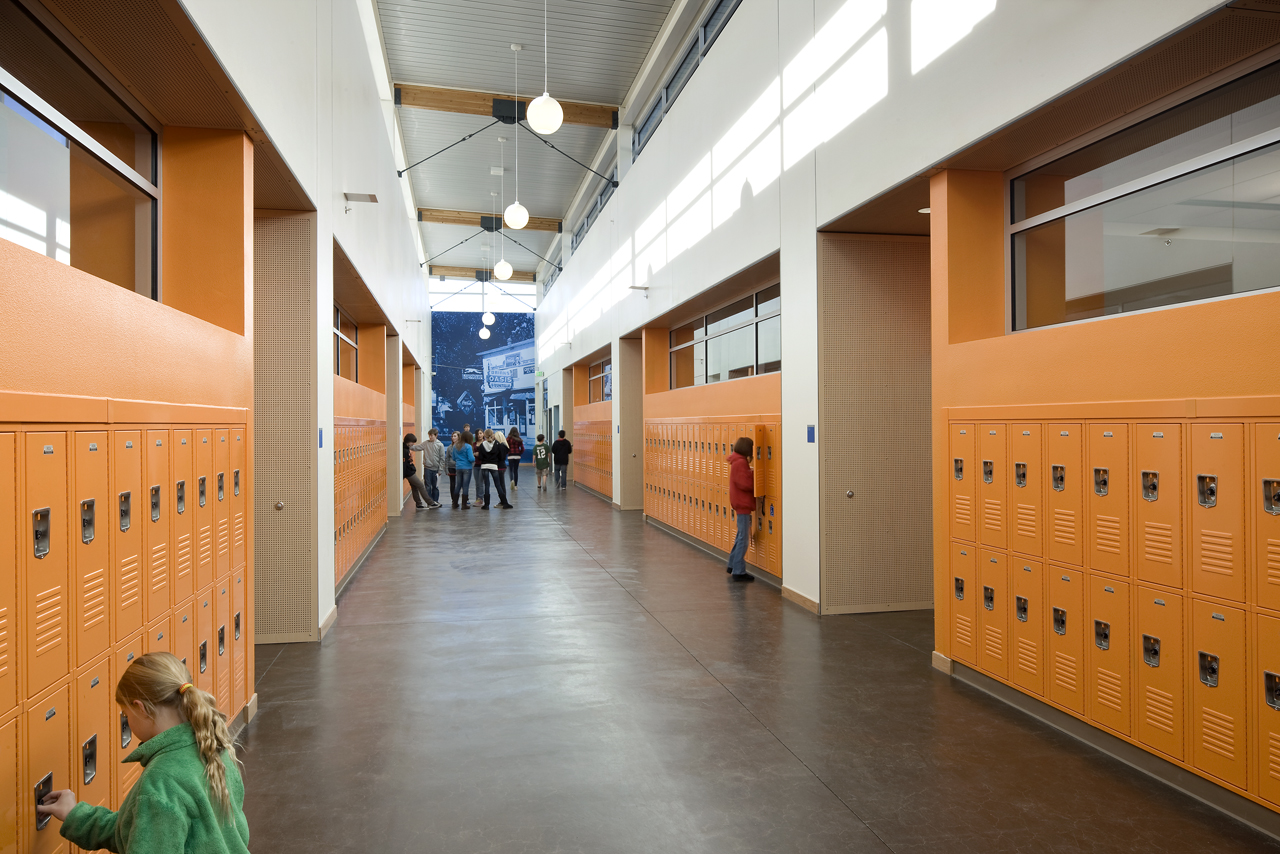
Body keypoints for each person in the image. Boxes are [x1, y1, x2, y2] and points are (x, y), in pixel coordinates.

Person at [36, 651, 251, 852]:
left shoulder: (161, 781)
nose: (127, 722)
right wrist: (76, 815)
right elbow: (135, 829)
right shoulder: (215, 748)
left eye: (126, 714)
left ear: (141, 708)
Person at [726, 436, 757, 582]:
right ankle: (738, 571)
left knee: (740, 536)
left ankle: (732, 564)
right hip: (742, 504)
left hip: (740, 502)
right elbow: (744, 484)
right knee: (743, 539)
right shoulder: (740, 462)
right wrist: (754, 476)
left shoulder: (737, 461)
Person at [476, 429, 512, 509]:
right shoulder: (497, 444)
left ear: (484, 435)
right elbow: (500, 456)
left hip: (484, 466)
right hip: (494, 466)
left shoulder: (482, 445)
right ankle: (504, 502)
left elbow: (481, 457)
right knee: (498, 485)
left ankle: (486, 505)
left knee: (487, 485)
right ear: (492, 435)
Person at [419, 428, 448, 508]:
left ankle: (435, 501)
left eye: (431, 435)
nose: (430, 437)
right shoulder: (426, 443)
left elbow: (442, 458)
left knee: (435, 486)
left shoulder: (440, 445)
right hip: (427, 468)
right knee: (428, 486)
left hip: (435, 469)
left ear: (436, 435)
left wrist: (440, 470)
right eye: (429, 436)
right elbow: (418, 447)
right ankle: (430, 502)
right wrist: (408, 446)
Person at [402, 433, 430, 509]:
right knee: (420, 485)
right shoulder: (404, 450)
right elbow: (404, 464)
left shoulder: (406, 448)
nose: (413, 444)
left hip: (410, 471)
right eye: (412, 442)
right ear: (408, 441)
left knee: (414, 487)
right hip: (409, 473)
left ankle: (419, 504)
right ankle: (430, 502)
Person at [452, 431, 475, 509]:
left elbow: (453, 458)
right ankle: (464, 504)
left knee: (458, 485)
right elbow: (471, 459)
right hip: (467, 468)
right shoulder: (468, 446)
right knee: (465, 486)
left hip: (458, 467)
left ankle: (455, 503)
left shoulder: (455, 446)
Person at [446, 431, 460, 507]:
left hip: (459, 467)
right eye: (452, 436)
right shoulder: (449, 447)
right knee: (452, 484)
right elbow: (447, 458)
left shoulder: (461, 447)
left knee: (459, 484)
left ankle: (458, 499)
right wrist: (446, 469)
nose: (453, 438)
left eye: (455, 436)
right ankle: (454, 500)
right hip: (451, 467)